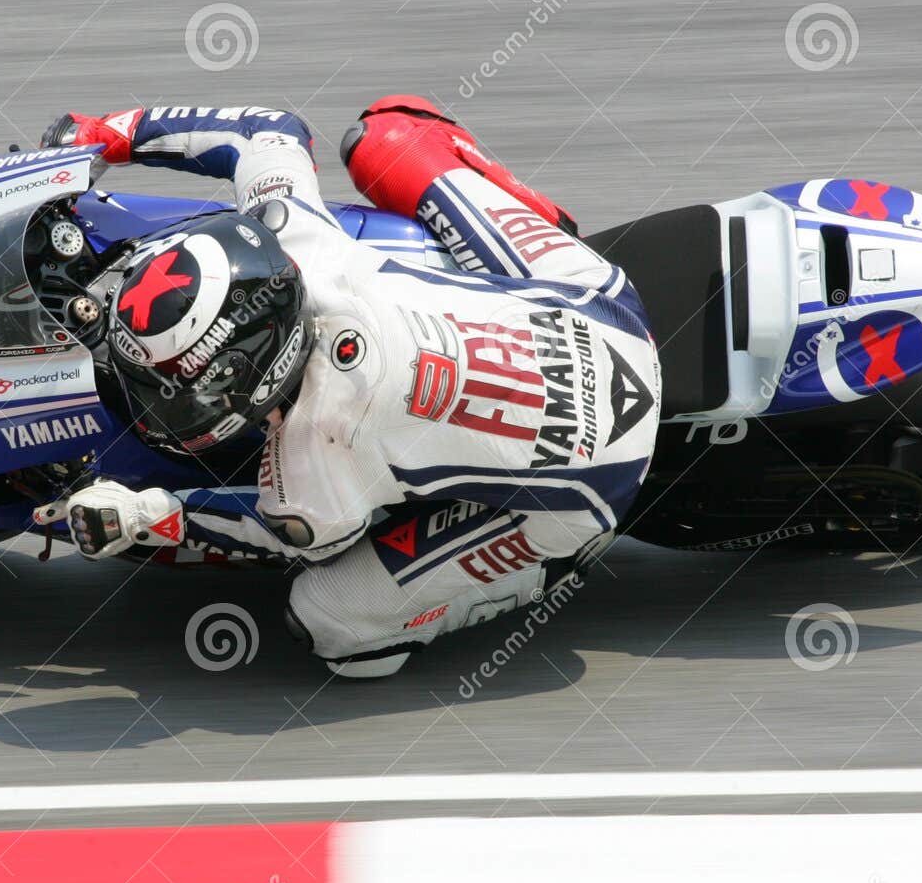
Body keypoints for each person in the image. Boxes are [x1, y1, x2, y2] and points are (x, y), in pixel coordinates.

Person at [41, 97, 661, 677]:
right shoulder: (297, 239)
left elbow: (278, 539)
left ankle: (539, 568)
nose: (163, 399)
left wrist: (150, 515)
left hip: (592, 485)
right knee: (387, 135)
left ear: (252, 376)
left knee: (331, 623)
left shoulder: (316, 460)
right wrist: (110, 135)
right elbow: (267, 130)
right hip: (599, 306)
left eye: (174, 384)